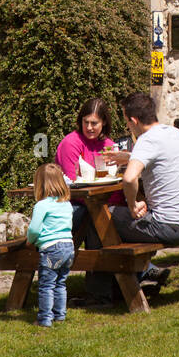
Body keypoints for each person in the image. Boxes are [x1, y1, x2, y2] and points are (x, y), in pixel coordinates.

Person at [106, 93, 179, 290]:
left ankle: (104, 291)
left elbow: (129, 178)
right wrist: (130, 157)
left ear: (134, 120)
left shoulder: (146, 141)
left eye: (127, 122)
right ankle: (141, 273)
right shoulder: (174, 133)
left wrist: (132, 206)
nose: (128, 127)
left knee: (102, 215)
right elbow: (161, 158)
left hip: (167, 226)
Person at [55, 97, 121, 306]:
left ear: (104, 123)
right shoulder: (71, 143)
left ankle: (104, 291)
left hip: (99, 203)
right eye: (86, 122)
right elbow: (72, 185)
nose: (90, 127)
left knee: (104, 218)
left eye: (95, 123)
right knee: (96, 219)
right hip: (71, 203)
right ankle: (104, 291)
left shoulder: (109, 145)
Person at [26, 162, 75, 327]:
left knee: (46, 285)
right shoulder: (66, 204)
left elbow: (34, 228)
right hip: (69, 246)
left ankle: (45, 319)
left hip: (51, 249)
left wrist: (30, 240)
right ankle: (60, 315)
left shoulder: (42, 205)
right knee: (60, 282)